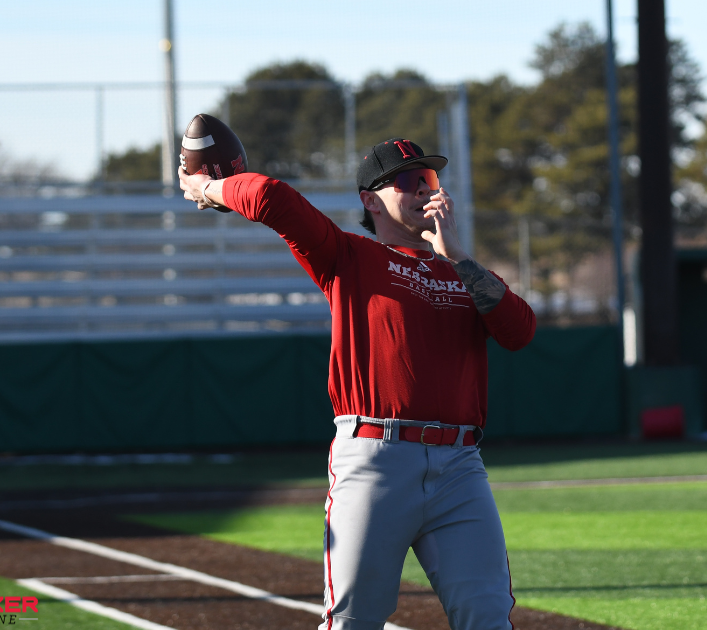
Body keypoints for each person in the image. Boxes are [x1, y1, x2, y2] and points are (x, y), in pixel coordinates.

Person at [178, 137, 536, 630]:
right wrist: (208, 186)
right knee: (352, 620)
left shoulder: (462, 274)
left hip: (460, 467)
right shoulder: (349, 256)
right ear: (370, 199)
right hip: (376, 458)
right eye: (410, 181)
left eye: (431, 180)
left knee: (488, 617)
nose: (425, 190)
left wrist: (458, 256)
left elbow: (521, 332)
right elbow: (272, 199)